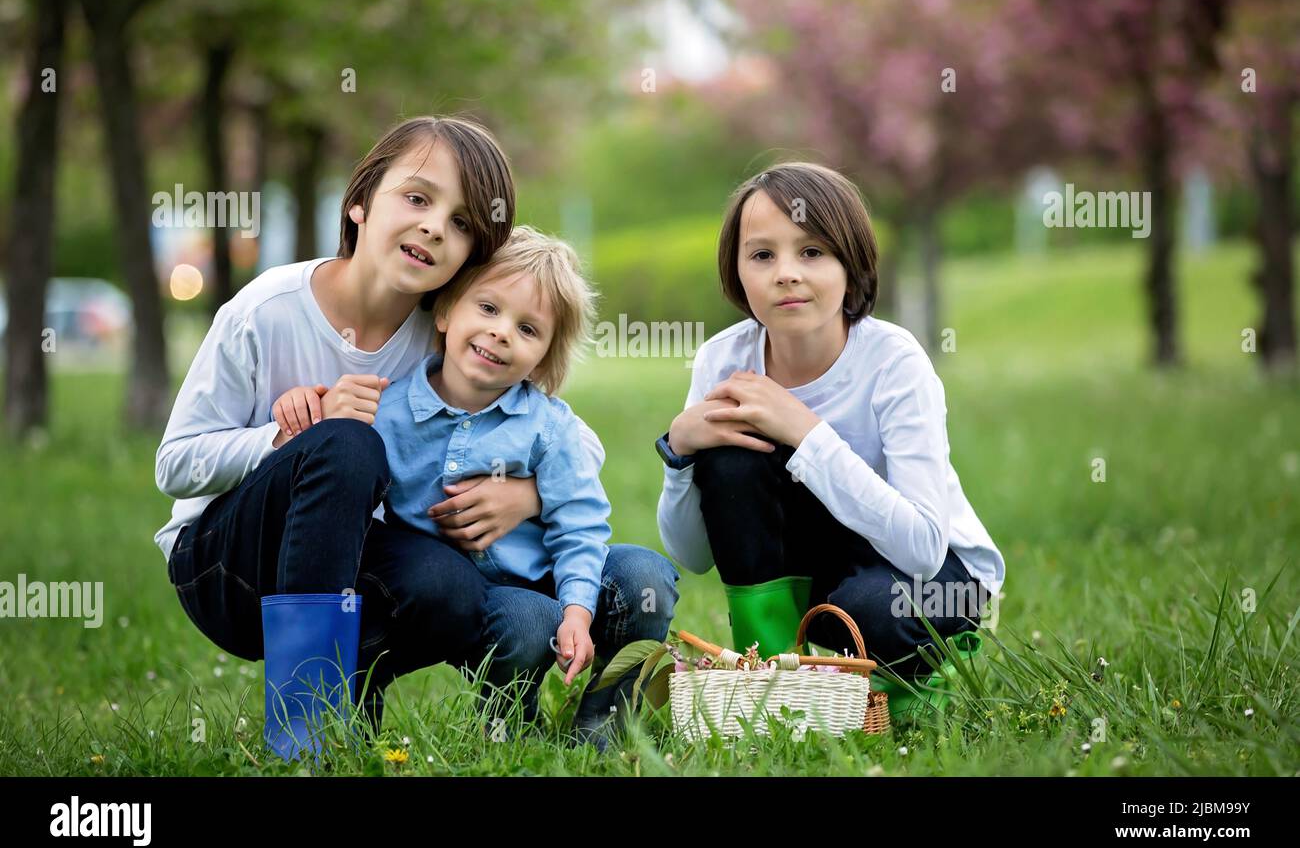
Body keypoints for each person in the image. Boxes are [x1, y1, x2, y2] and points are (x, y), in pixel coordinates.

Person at [155, 115, 602, 743]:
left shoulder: (447, 330)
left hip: (349, 561)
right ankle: (305, 732)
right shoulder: (266, 311)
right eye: (417, 198)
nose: (433, 226)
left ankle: (350, 705)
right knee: (345, 443)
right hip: (226, 567)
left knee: (449, 586)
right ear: (361, 202)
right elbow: (173, 463)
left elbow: (572, 439)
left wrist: (524, 494)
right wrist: (283, 438)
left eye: (462, 223)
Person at [655, 162, 1003, 680]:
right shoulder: (723, 361)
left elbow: (923, 551)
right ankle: (773, 680)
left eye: (812, 252)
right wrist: (679, 454)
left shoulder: (893, 361)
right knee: (731, 456)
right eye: (762, 255)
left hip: (938, 576)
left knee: (868, 611)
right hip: (830, 562)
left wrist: (805, 431)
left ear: (850, 264)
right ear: (737, 270)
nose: (786, 273)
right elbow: (694, 557)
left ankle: (929, 678)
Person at [369, 226, 678, 748]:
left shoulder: (548, 426)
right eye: (487, 309)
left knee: (645, 577)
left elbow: (579, 523)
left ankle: (603, 718)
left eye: (529, 329)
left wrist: (578, 612)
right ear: (444, 312)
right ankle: (510, 722)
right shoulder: (388, 415)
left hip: (554, 577)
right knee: (529, 617)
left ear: (544, 356)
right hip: (475, 602)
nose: (502, 333)